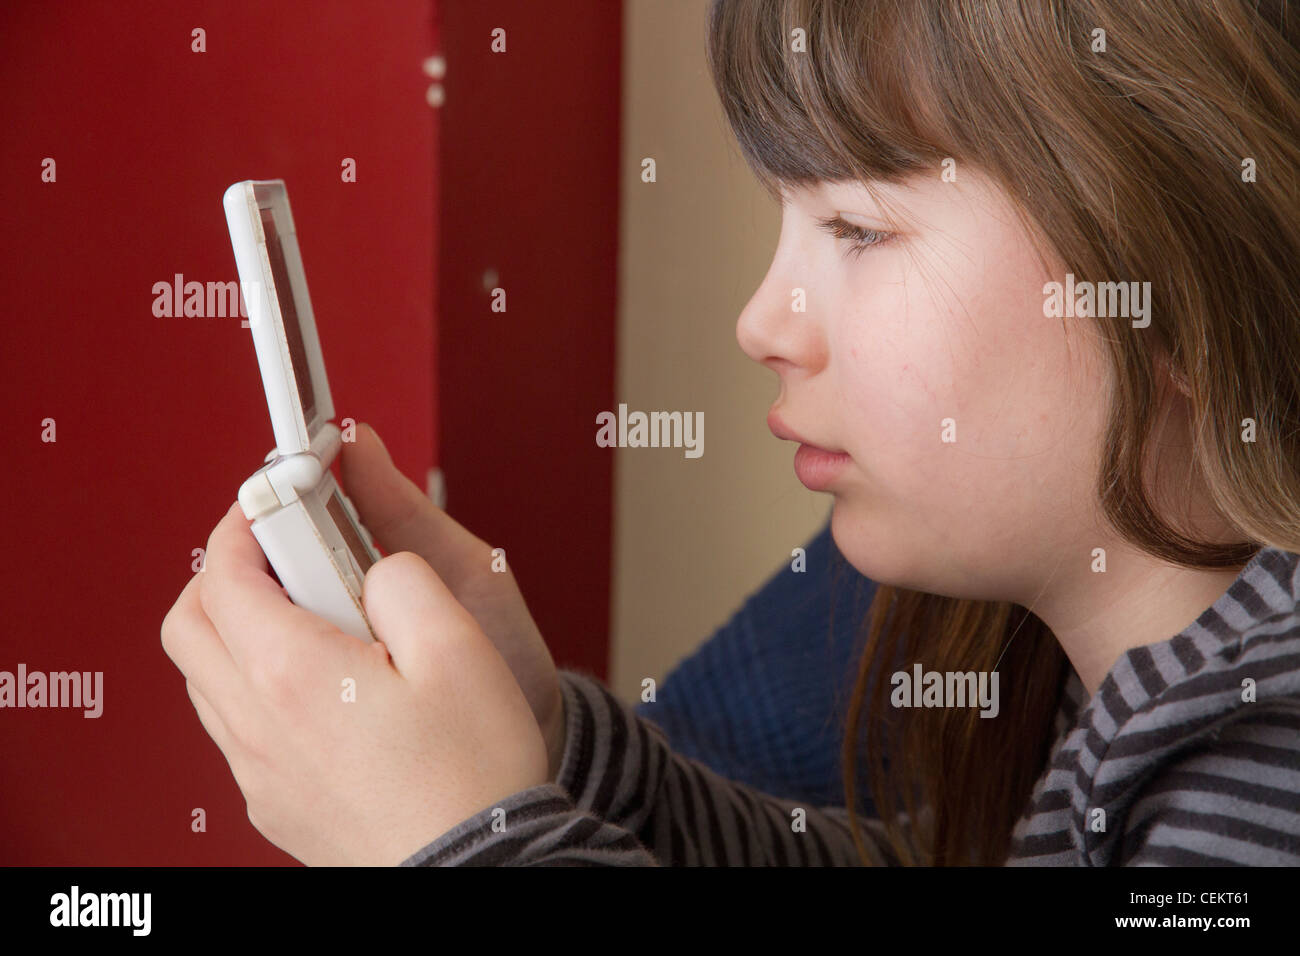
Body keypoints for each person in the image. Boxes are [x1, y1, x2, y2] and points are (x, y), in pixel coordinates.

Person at [161, 0, 1300, 866]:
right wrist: (551, 749)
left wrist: (457, 835)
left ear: (1177, 286)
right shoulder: (1111, 705)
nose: (761, 322)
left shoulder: (1260, 763)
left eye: (856, 227)